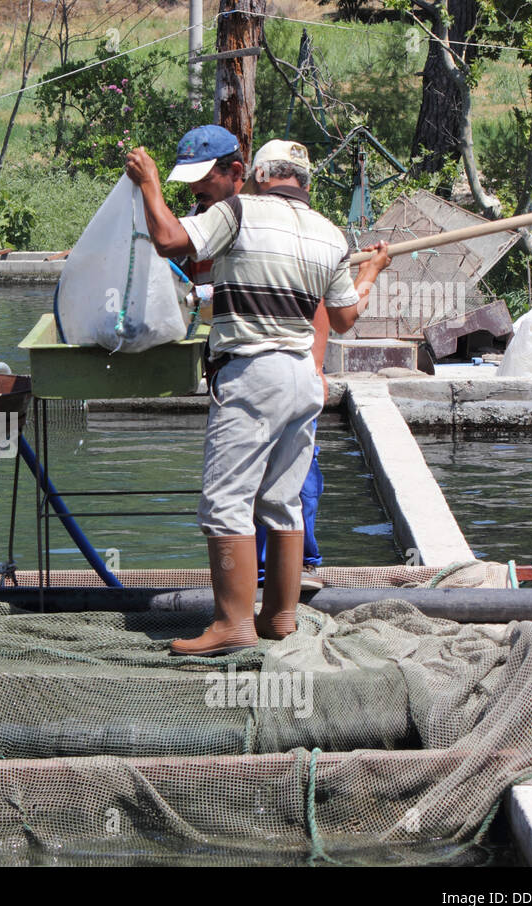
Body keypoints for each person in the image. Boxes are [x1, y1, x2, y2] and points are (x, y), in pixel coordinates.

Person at [125, 137, 386, 656]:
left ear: (258, 175)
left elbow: (172, 240)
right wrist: (370, 271)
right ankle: (281, 616)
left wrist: (149, 183)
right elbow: (343, 318)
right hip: (302, 378)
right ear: (303, 181)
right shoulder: (330, 233)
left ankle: (231, 625)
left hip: (252, 373)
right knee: (281, 501)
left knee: (226, 504)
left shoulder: (239, 210)